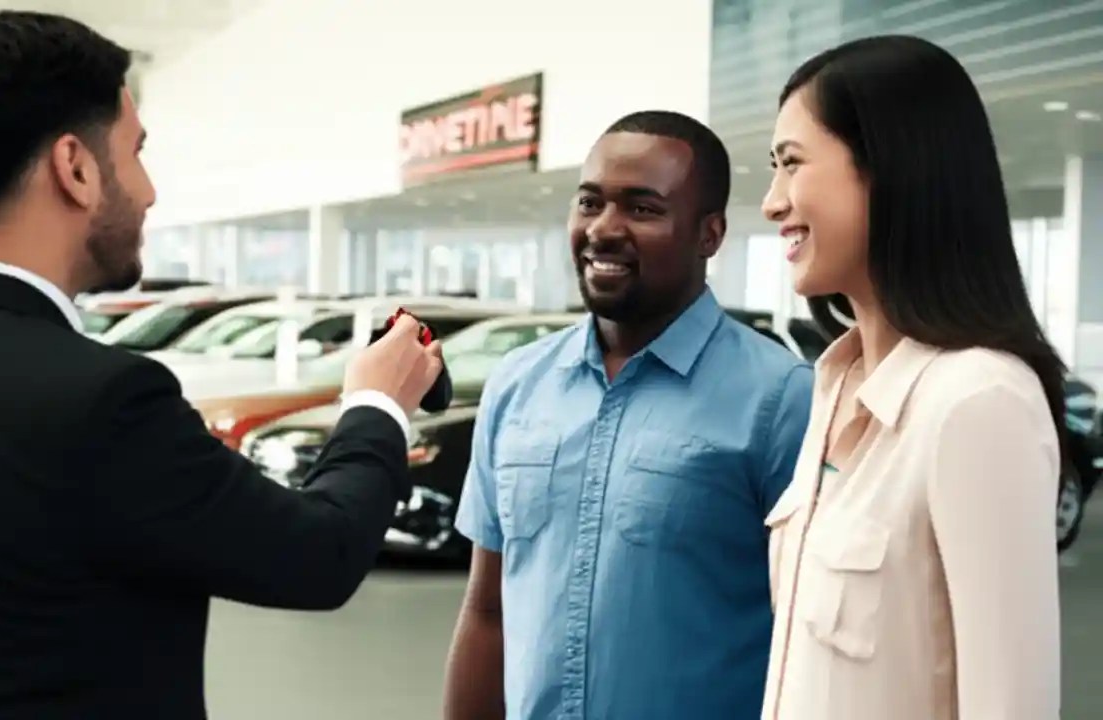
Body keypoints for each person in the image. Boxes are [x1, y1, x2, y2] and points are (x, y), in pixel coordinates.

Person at [0, 11, 442, 720]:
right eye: (137, 152)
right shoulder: (103, 400)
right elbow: (320, 555)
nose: (149, 190)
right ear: (76, 169)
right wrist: (376, 403)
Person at [443, 110, 815, 720]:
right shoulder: (517, 385)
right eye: (590, 203)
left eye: (642, 209)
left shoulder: (783, 400)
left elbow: (811, 643)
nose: (603, 229)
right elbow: (488, 612)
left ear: (709, 235)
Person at [759, 35, 1061, 720]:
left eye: (792, 164)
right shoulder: (835, 384)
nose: (773, 202)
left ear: (889, 168)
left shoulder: (977, 401)